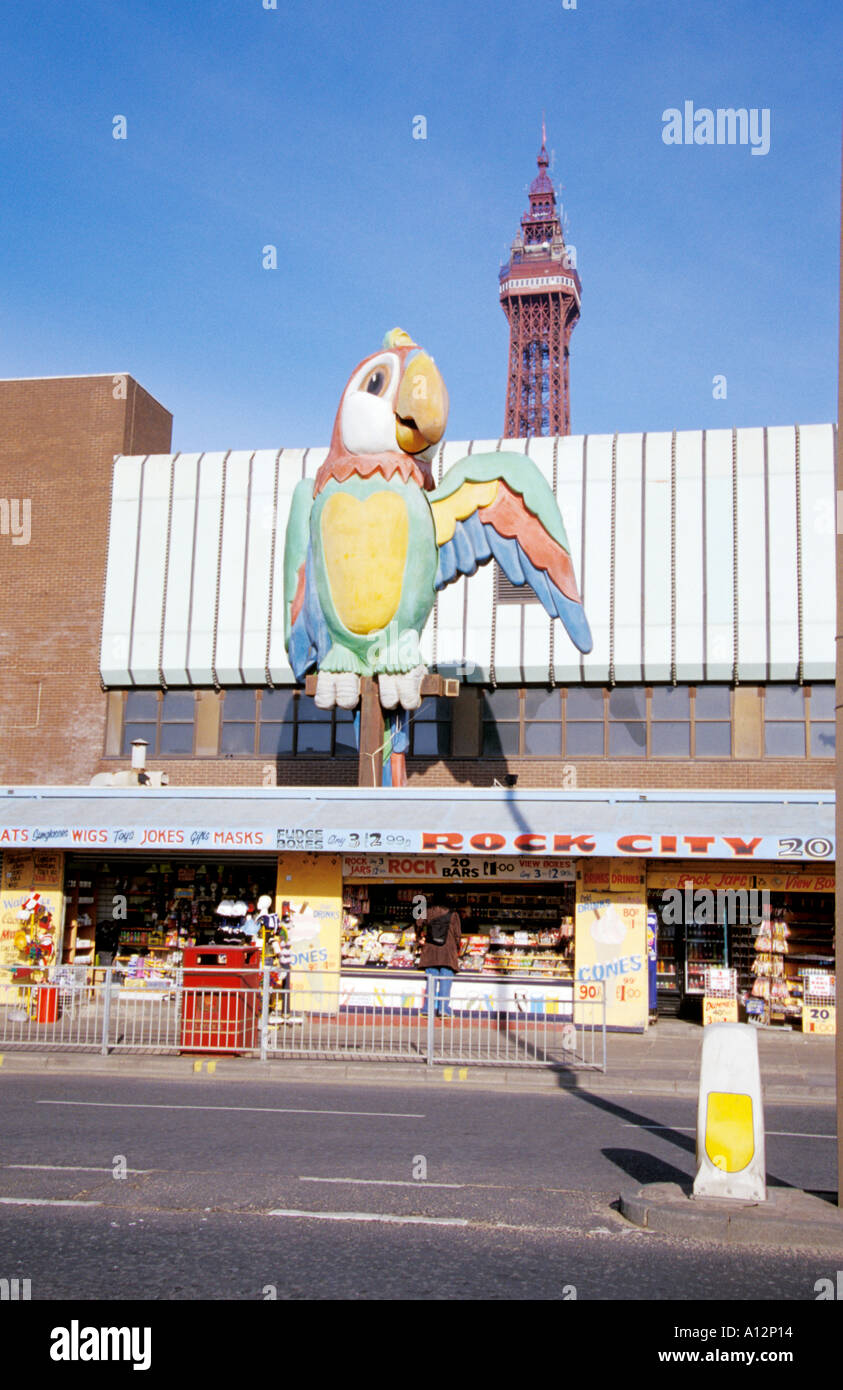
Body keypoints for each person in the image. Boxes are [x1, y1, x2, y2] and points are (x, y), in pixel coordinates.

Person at [418, 892, 461, 1019]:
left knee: (431, 981)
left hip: (430, 952)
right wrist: (457, 947)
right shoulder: (453, 914)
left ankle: (427, 1009)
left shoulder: (426, 911)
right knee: (445, 980)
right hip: (448, 952)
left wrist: (420, 937)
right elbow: (458, 935)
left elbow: (418, 924)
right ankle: (443, 1010)